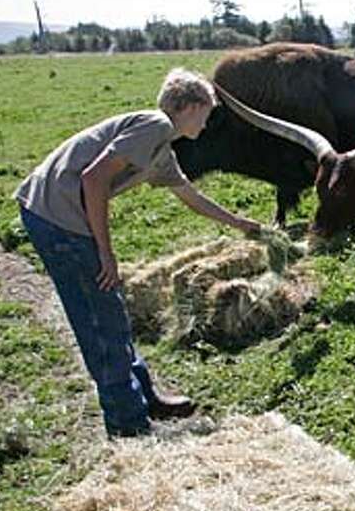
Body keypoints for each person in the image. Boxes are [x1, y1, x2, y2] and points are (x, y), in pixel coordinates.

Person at [14, 68, 262, 437]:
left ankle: (145, 398)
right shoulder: (155, 126)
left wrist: (243, 224)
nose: (208, 123)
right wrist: (104, 251)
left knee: (112, 312)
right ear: (191, 106)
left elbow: (190, 197)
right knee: (100, 320)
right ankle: (127, 424)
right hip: (58, 218)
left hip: (57, 210)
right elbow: (93, 179)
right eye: (207, 112)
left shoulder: (160, 146)